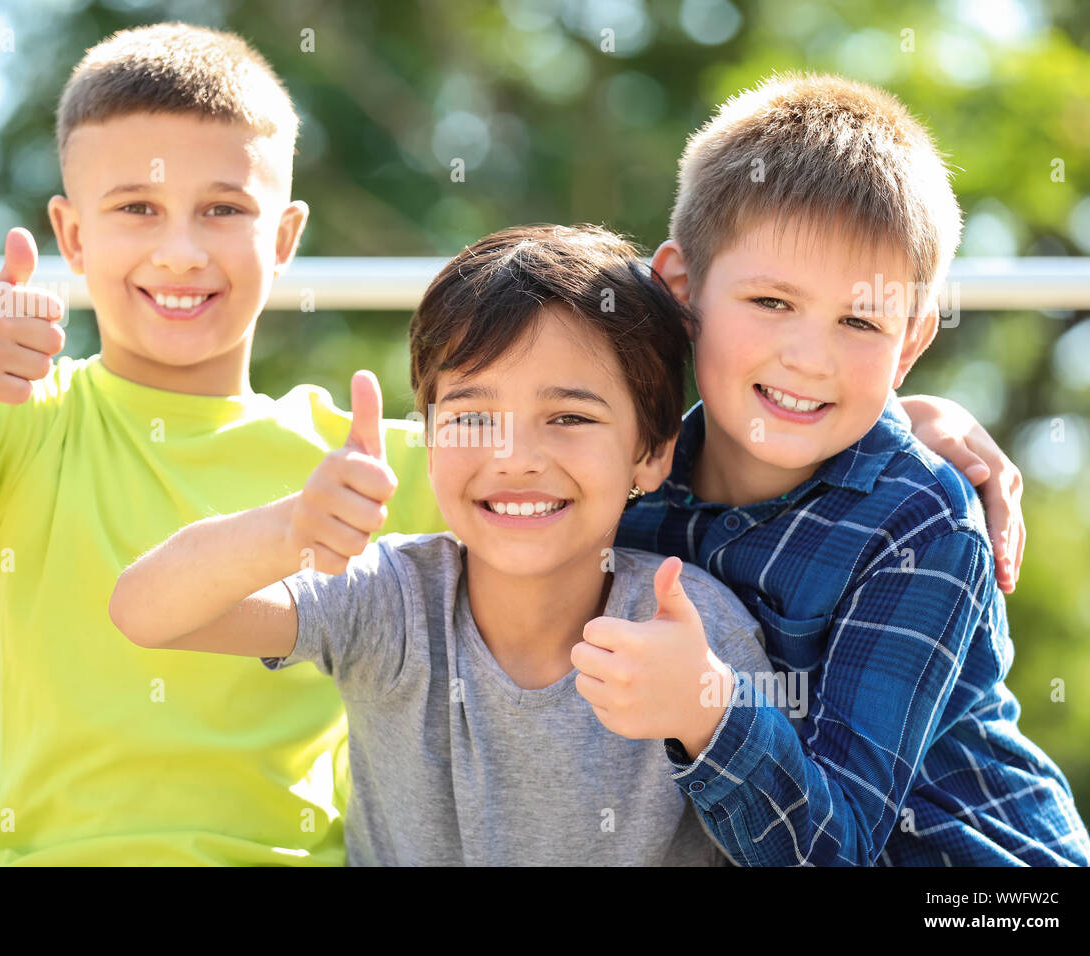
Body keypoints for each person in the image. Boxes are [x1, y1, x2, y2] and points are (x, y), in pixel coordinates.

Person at [0, 23, 1029, 864]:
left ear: (283, 232)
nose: (180, 249)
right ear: (70, 233)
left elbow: (569, 444)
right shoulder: (29, 425)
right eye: (137, 210)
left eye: (221, 210)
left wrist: (899, 422)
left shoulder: (398, 464)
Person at [112, 224, 785, 865]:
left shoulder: (696, 634)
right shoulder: (388, 599)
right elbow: (144, 611)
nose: (515, 457)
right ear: (428, 438)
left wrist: (704, 707)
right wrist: (288, 531)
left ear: (652, 451)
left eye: (569, 417)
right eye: (472, 417)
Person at [601, 73, 1090, 866]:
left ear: (909, 345)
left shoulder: (922, 521)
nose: (809, 360)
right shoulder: (628, 492)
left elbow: (841, 851)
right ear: (682, 290)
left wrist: (708, 708)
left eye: (859, 320)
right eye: (771, 302)